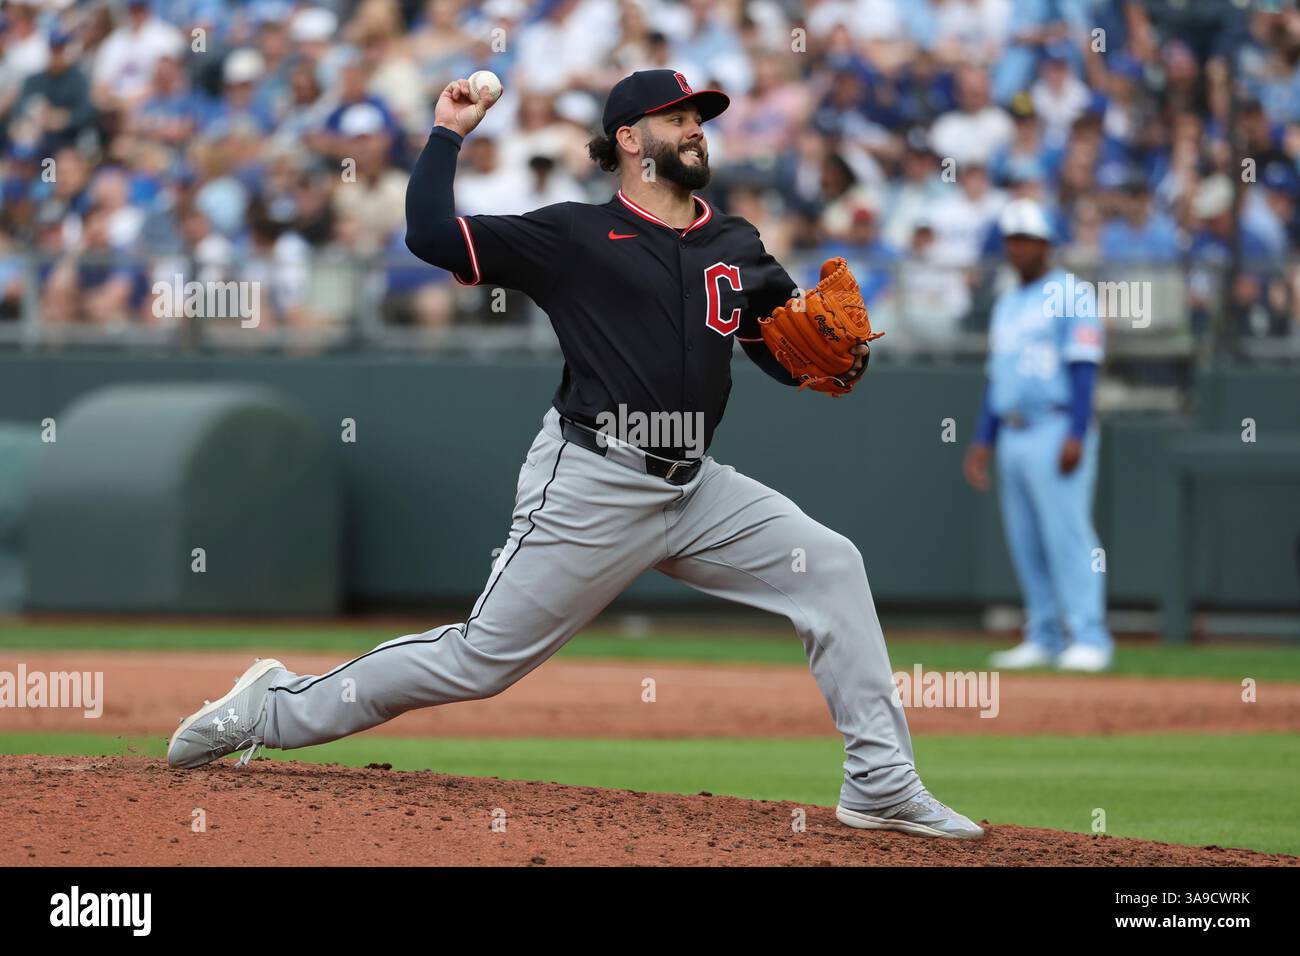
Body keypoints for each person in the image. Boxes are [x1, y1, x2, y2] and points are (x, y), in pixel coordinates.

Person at [167, 69, 985, 841]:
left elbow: (774, 347)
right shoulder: (574, 234)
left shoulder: (736, 241)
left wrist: (825, 357)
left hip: (697, 489)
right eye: (679, 119)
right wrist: (448, 134)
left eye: (700, 120)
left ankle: (879, 783)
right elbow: (429, 235)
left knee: (832, 566)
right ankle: (272, 708)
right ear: (630, 138)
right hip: (594, 476)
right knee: (480, 660)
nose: (696, 131)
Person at [962, 199, 1114, 673]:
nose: (1017, 248)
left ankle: (1089, 635)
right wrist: (981, 441)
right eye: (1011, 239)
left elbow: (1084, 366)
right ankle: (1044, 633)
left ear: (1047, 244)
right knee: (1026, 538)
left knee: (1068, 535)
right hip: (1013, 429)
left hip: (1056, 422)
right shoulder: (1008, 301)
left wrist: (1078, 429)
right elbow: (996, 378)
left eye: (1026, 239)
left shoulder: (1069, 292)